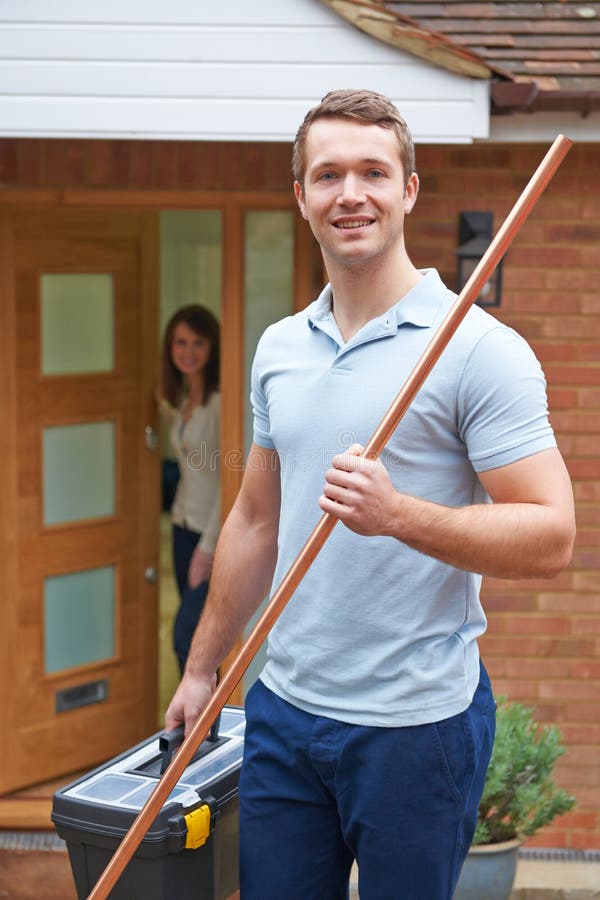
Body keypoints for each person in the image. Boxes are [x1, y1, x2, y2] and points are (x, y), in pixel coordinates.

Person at [165, 90, 575, 899]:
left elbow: (551, 534)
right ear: (302, 197)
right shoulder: (281, 348)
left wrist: (399, 516)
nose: (350, 193)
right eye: (328, 175)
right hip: (284, 710)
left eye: (373, 173)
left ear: (408, 189)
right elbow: (255, 518)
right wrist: (203, 668)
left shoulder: (477, 349)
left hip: (417, 728)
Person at [158, 305, 220, 675]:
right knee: (194, 636)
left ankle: (202, 712)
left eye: (198, 343)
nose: (188, 351)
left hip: (207, 536)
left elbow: (228, 484)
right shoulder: (184, 400)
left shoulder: (219, 404)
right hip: (181, 527)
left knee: (187, 639)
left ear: (212, 347)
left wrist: (207, 550)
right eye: (181, 342)